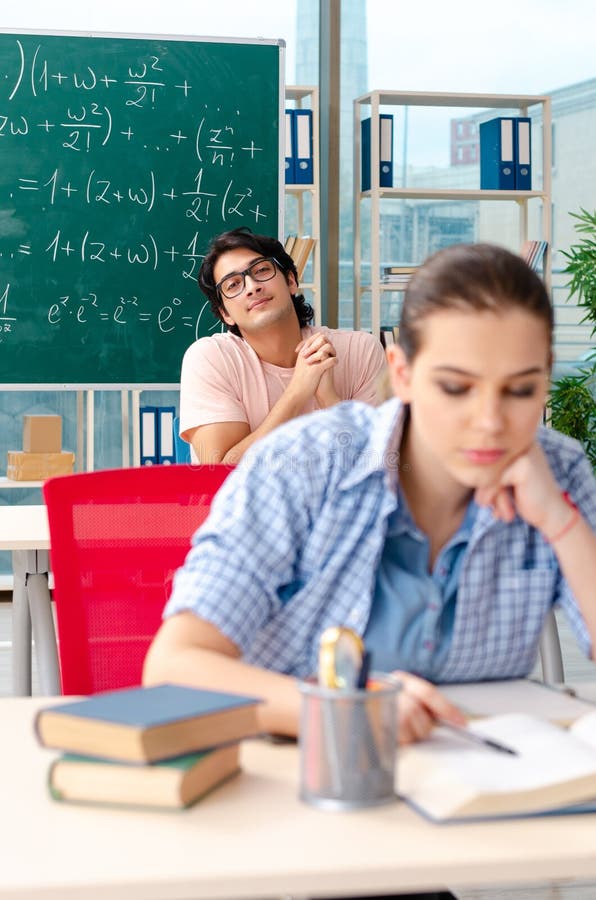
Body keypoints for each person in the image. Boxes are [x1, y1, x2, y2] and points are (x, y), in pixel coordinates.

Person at [145, 242, 596, 746]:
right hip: (307, 766)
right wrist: (350, 712)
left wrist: (560, 521)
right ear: (401, 374)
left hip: (476, 774)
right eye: (454, 388)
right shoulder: (298, 466)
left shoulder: (558, 470)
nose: (490, 423)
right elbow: (174, 666)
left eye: (520, 390)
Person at [179, 227, 387, 463]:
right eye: (233, 284)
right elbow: (216, 476)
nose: (252, 287)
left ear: (290, 281)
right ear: (226, 313)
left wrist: (330, 400)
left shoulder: (360, 351)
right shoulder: (211, 358)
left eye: (262, 270)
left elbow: (380, 466)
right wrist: (296, 393)